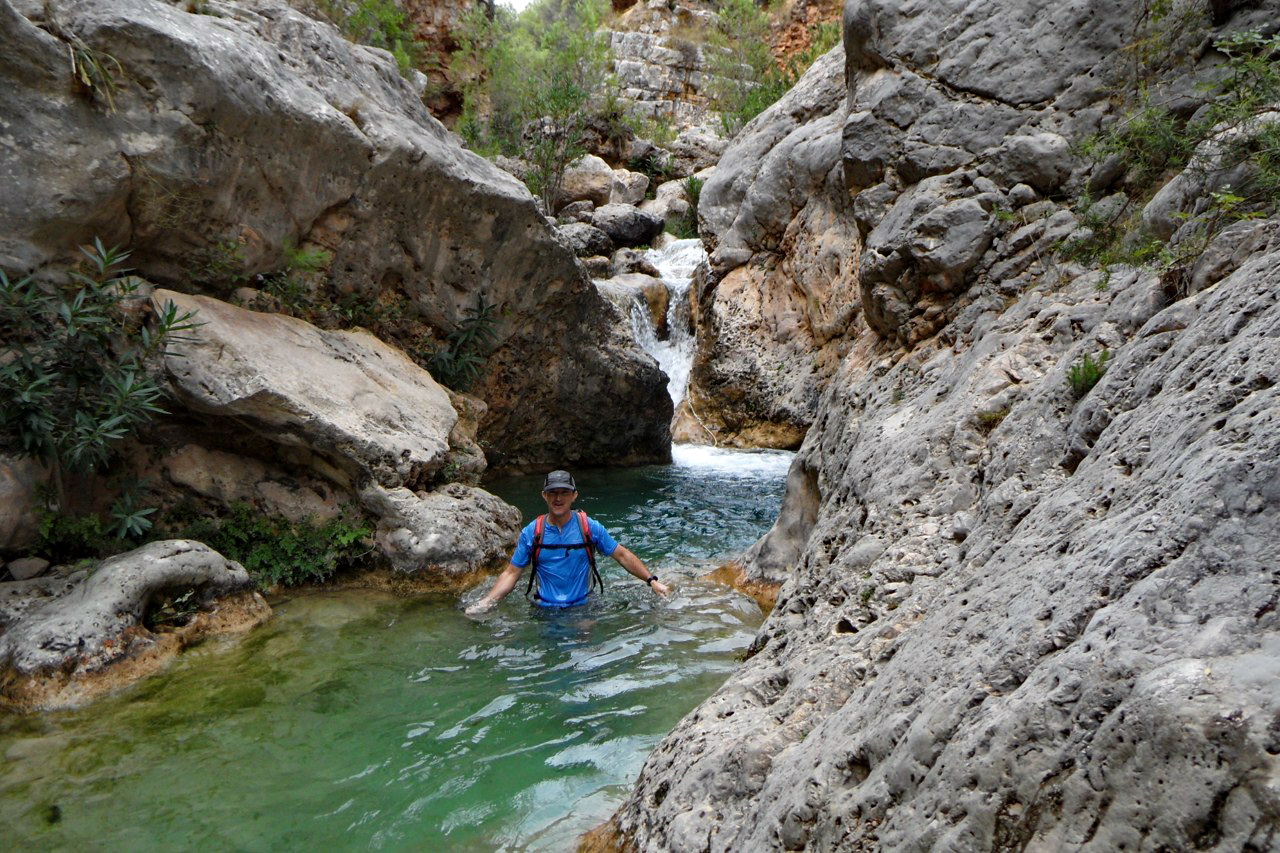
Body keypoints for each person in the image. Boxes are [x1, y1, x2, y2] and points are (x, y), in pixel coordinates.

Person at [465, 470, 670, 613]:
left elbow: (622, 555)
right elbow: (511, 573)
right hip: (545, 609)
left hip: (584, 607)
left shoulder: (588, 527)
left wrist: (652, 581)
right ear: (544, 496)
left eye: (564, 493)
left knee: (585, 660)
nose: (558, 498)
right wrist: (488, 602)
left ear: (574, 496)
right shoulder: (532, 533)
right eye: (553, 493)